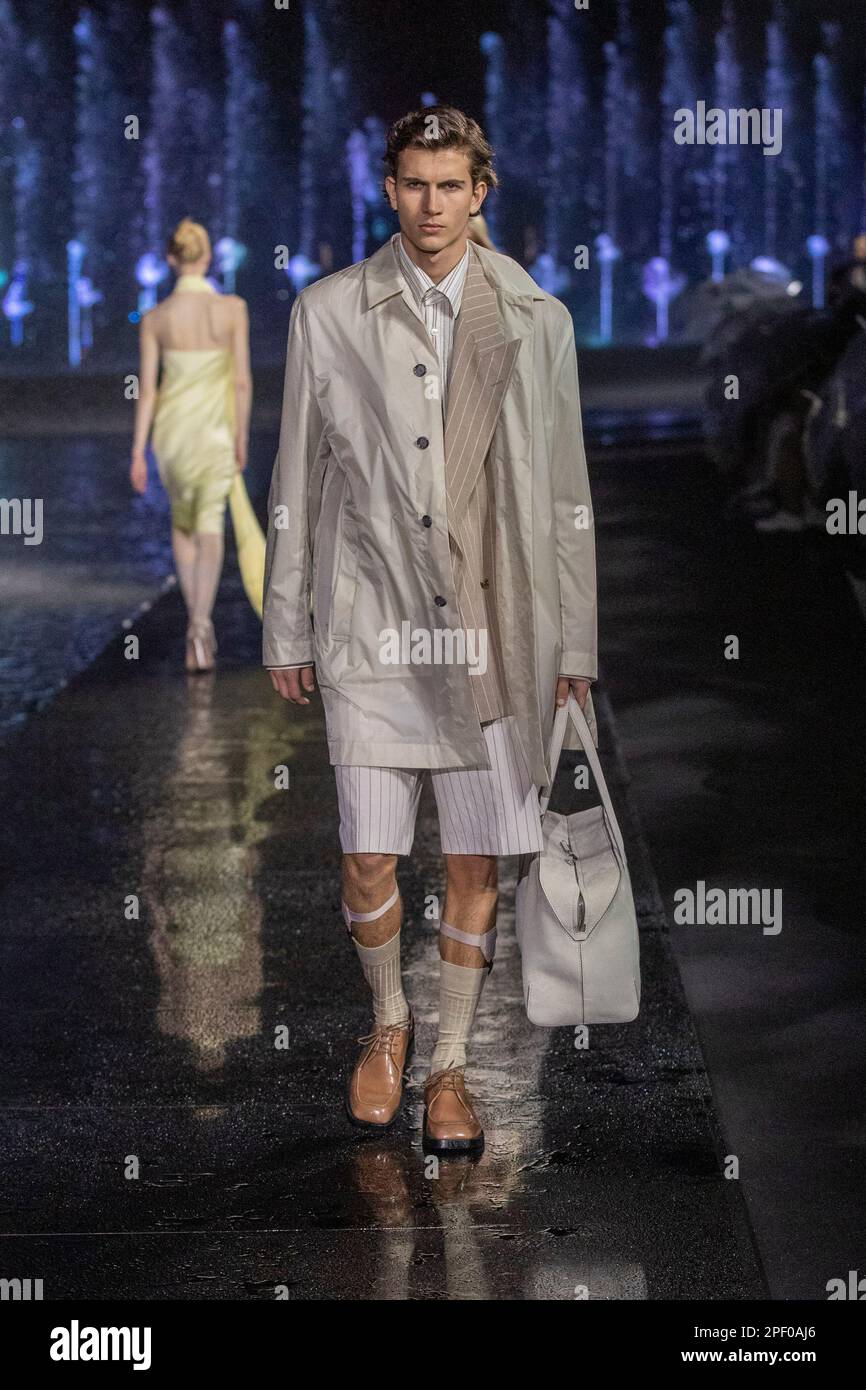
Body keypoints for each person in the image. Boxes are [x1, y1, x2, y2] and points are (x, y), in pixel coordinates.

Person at [263, 106, 598, 1157]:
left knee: (470, 863)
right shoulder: (326, 312)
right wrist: (285, 625)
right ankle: (386, 1022)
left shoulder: (535, 319)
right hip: (371, 621)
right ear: (389, 189)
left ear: (480, 190)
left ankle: (448, 1061)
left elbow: (563, 498)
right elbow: (293, 475)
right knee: (367, 855)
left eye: (449, 185)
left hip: (493, 628)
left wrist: (575, 647)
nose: (430, 206)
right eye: (412, 183)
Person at [130, 218, 253, 672]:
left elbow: (148, 390)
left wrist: (137, 450)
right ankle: (201, 625)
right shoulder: (232, 309)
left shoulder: (155, 318)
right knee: (208, 525)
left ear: (169, 260)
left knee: (182, 525)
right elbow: (241, 381)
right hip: (215, 433)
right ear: (207, 259)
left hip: (172, 436)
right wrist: (241, 435)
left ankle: (194, 622)